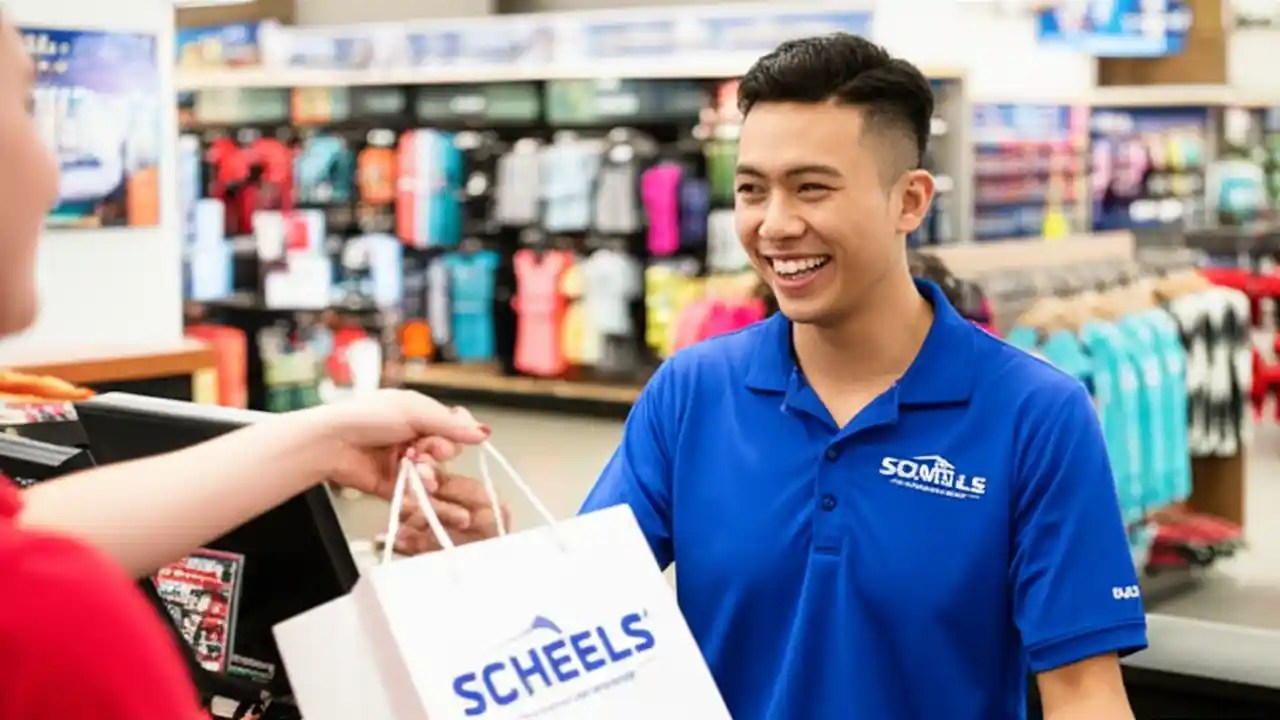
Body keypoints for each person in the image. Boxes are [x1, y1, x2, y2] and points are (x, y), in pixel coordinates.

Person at [413, 34, 1148, 719]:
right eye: (753, 190)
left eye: (812, 188)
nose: (774, 225)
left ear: (911, 201)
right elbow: (583, 614)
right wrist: (488, 557)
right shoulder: (691, 394)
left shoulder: (1035, 413)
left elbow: (1085, 694)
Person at [0, 16, 498, 719]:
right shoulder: (55, 631)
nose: (52, 174)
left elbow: (30, 530)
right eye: (23, 110)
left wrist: (325, 439)